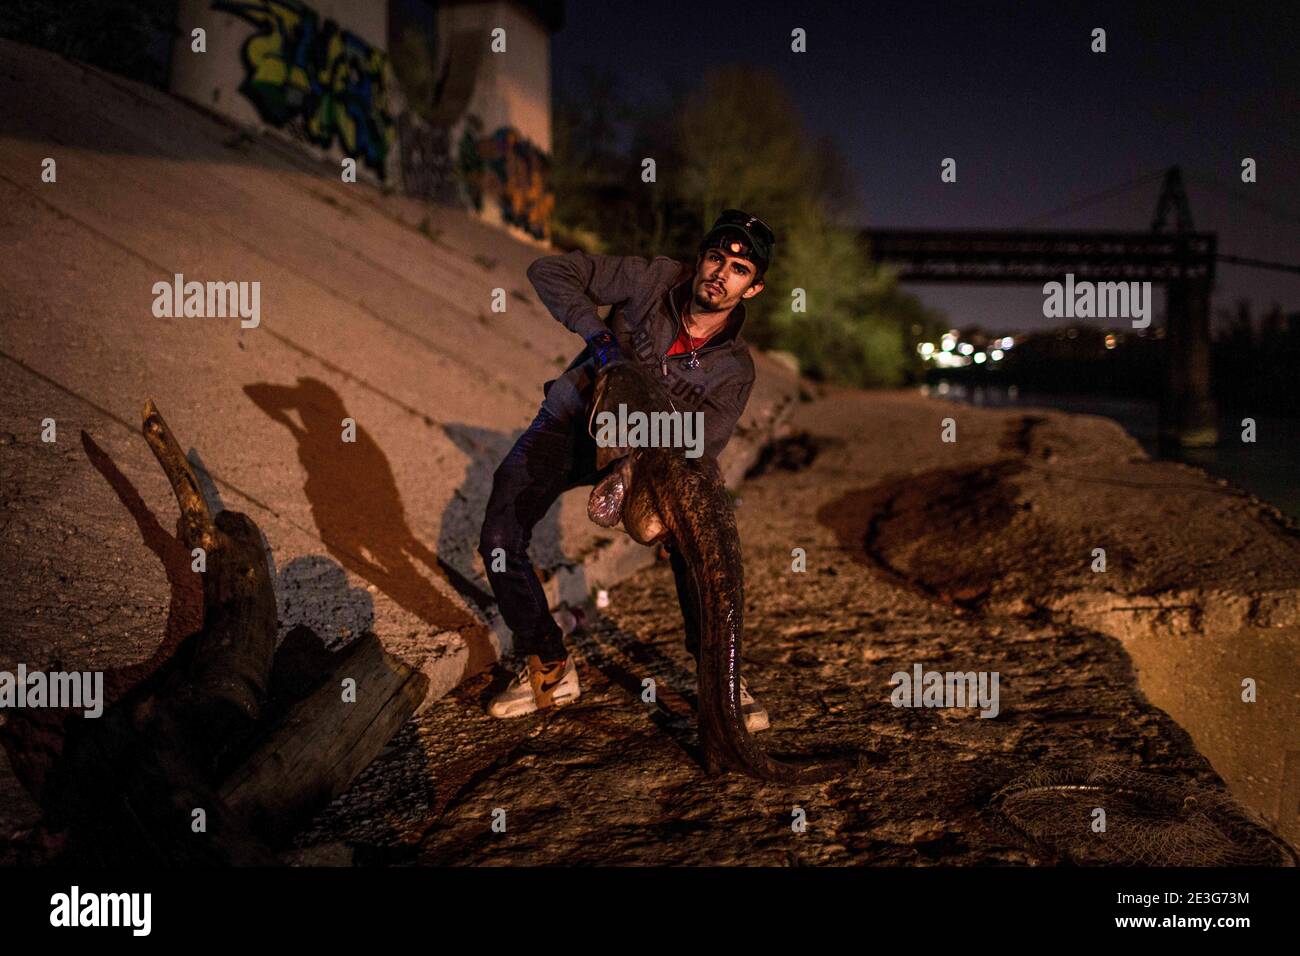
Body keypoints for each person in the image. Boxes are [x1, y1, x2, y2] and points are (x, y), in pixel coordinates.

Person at [478, 210, 776, 731]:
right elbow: (548, 272)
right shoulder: (652, 279)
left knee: (697, 542)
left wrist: (657, 492)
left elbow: (702, 443)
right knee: (500, 535)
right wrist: (600, 338)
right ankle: (549, 661)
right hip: (574, 423)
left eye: (738, 269)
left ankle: (718, 679)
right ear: (700, 258)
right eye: (715, 257)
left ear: (753, 288)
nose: (720, 273)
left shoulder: (736, 369)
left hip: (646, 460)